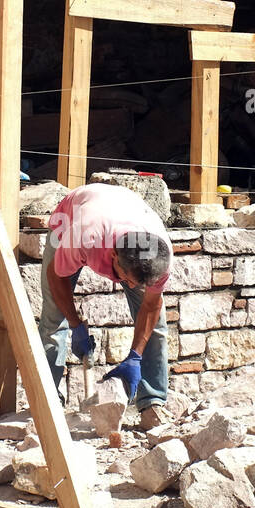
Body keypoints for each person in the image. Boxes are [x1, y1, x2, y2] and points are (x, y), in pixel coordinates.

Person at [38, 183, 173, 428]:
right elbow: (56, 277)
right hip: (74, 213)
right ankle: (46, 404)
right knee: (52, 320)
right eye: (127, 278)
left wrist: (135, 356)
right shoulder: (84, 237)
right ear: (112, 256)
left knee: (157, 326)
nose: (131, 285)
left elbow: (151, 308)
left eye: (137, 281)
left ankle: (152, 402)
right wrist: (75, 324)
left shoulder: (160, 256)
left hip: (125, 209)